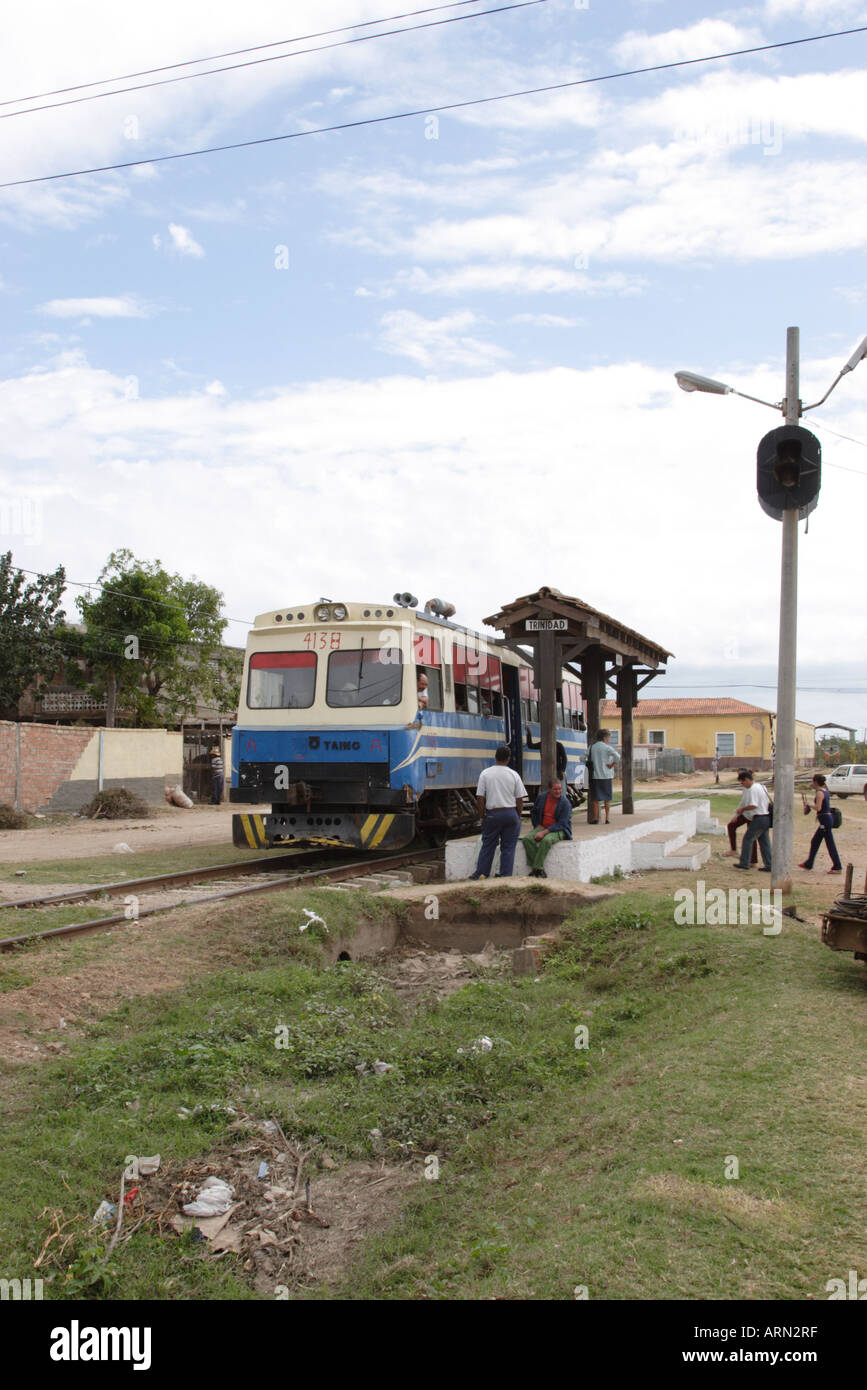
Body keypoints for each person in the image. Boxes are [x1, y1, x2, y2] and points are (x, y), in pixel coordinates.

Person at [470, 745, 528, 880]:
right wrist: (517, 815)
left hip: (492, 814)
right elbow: (519, 799)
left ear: (495, 757)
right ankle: (505, 877)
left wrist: (482, 815)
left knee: (488, 846)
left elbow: (480, 797)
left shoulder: (485, 773)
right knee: (508, 848)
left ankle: (481, 874)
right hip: (510, 813)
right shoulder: (514, 775)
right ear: (508, 759)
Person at [521, 778, 572, 877]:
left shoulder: (565, 803)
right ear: (549, 789)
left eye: (560, 789)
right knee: (527, 839)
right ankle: (539, 870)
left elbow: (562, 823)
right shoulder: (542, 797)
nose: (558, 791)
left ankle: (537, 869)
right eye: (555, 789)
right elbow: (534, 812)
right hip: (542, 826)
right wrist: (537, 825)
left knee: (546, 840)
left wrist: (545, 832)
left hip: (559, 829)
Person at [799, 773, 842, 873]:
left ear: (815, 782)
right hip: (825, 820)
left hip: (825, 820)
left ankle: (837, 866)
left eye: (813, 781)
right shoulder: (825, 791)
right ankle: (809, 863)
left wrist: (809, 804)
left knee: (830, 844)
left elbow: (818, 807)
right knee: (815, 841)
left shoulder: (819, 793)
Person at [733, 769, 772, 871]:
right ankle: (769, 864)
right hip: (766, 817)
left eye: (742, 782)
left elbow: (753, 805)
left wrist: (742, 809)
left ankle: (744, 862)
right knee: (764, 842)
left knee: (748, 839)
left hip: (759, 817)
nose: (743, 785)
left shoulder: (753, 789)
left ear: (747, 780)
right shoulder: (762, 786)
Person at [588, 730, 621, 824]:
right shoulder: (607, 748)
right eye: (609, 738)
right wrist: (612, 764)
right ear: (605, 738)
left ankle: (595, 818)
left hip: (595, 776)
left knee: (595, 799)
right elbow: (618, 757)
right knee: (607, 799)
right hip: (606, 776)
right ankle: (607, 819)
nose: (609, 740)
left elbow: (582, 757)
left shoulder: (591, 747)